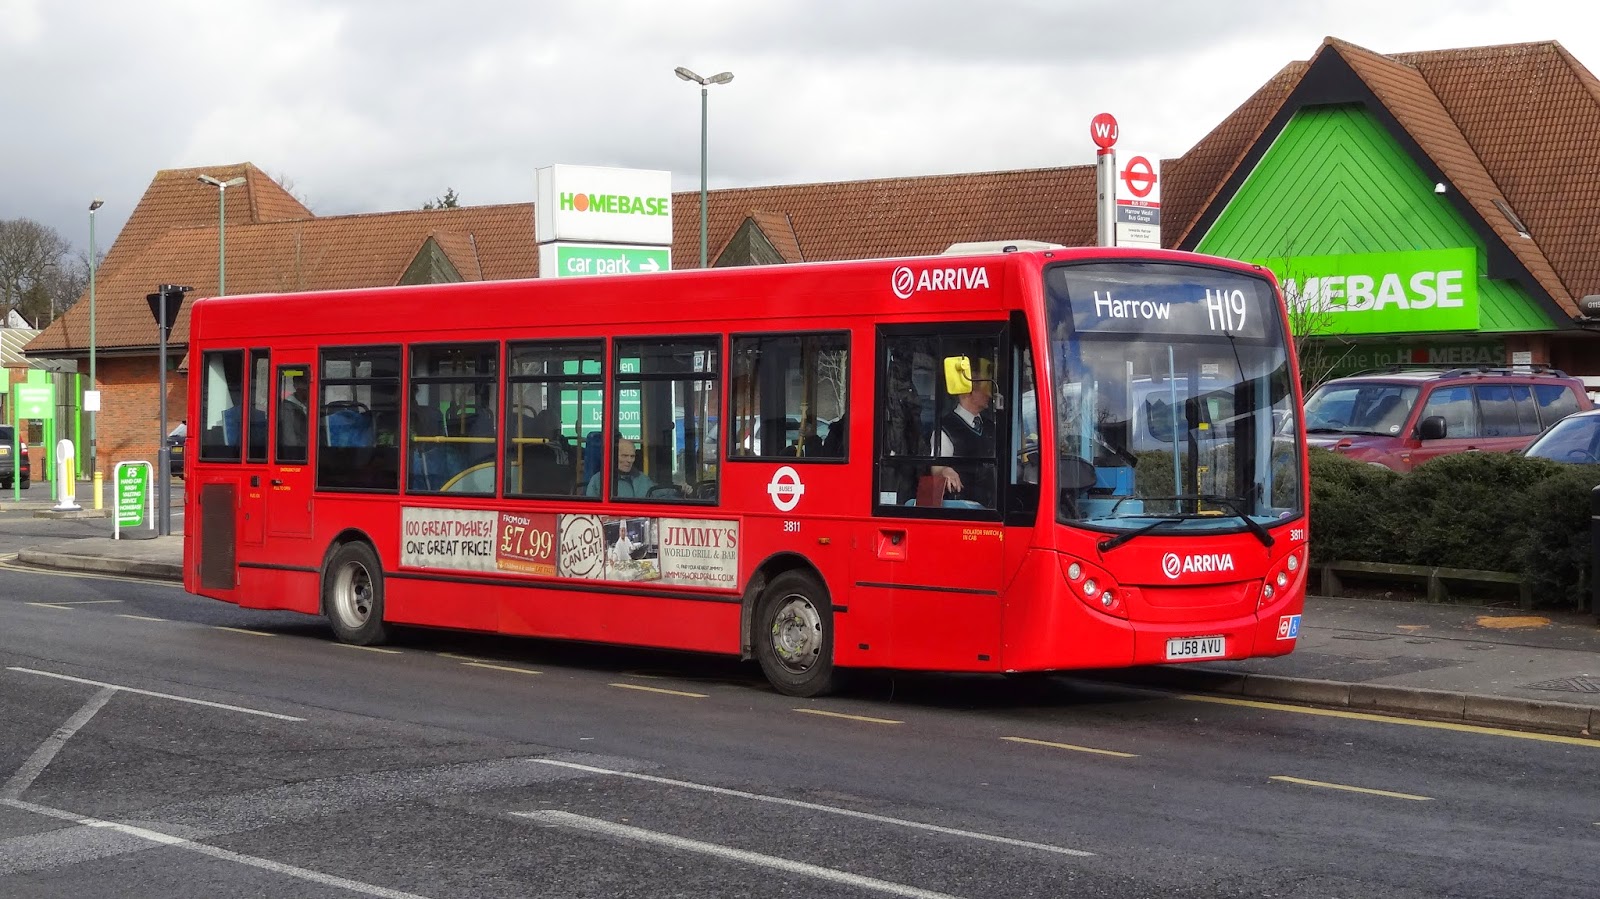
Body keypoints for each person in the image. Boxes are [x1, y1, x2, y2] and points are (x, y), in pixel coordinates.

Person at [930, 374, 997, 507]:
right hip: (963, 507)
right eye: (985, 389)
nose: (989, 395)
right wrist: (945, 470)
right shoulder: (945, 428)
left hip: (992, 506)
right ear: (968, 392)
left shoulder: (991, 427)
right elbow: (936, 467)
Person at [586, 436, 656, 497]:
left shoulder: (644, 480)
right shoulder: (598, 480)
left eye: (632, 456)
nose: (629, 460)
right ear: (614, 456)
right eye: (624, 456)